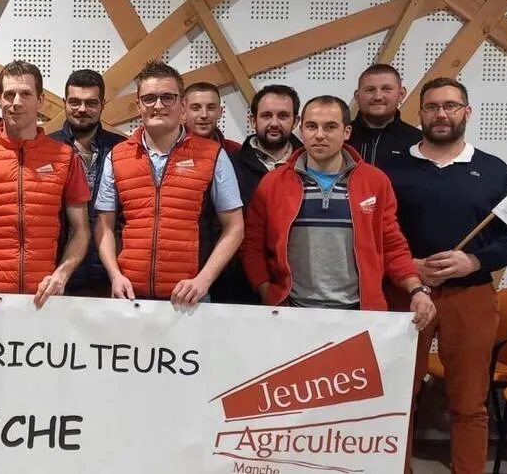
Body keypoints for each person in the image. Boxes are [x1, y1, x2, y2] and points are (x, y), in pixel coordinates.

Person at [382, 78, 507, 474]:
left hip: (471, 297)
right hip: (406, 296)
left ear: (467, 111)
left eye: (450, 106)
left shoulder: (494, 171)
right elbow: (373, 236)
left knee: (469, 402)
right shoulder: (390, 171)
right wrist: (409, 266)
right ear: (420, 113)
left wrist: (474, 262)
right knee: (398, 398)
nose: (441, 114)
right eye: (432, 107)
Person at [240, 94, 435, 325]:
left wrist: (416, 289)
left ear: (347, 132)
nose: (319, 135)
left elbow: (392, 244)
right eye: (311, 126)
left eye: (330, 127)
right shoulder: (273, 183)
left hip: (358, 315)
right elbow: (253, 245)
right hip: (291, 313)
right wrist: (266, 290)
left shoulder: (375, 182)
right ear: (301, 129)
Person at [95, 61, 244, 303]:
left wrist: (204, 280)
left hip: (190, 297)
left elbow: (235, 227)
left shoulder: (213, 155)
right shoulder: (117, 156)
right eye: (149, 98)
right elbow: (104, 226)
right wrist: (114, 275)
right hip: (129, 296)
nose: (158, 105)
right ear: (138, 105)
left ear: (182, 105)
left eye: (167, 97)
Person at [0, 60, 91, 308]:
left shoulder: (66, 158)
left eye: (25, 94)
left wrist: (62, 274)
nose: (16, 102)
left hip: (46, 298)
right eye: (9, 94)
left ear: (40, 100)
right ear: (0, 99)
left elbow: (81, 230)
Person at [218, 84, 304, 305]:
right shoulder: (228, 166)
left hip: (298, 288)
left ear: (296, 121)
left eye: (283, 116)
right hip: (236, 288)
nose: (274, 123)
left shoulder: (311, 167)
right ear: (252, 120)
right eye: (266, 115)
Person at [48, 69, 125, 297]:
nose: (82, 109)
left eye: (91, 103)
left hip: (112, 275)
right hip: (58, 274)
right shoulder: (46, 148)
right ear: (64, 102)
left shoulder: (122, 150)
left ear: (103, 104)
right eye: (75, 102)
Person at [347, 63, 421, 167]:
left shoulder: (419, 142)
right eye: (370, 90)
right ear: (357, 96)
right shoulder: (340, 139)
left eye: (386, 89)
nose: (378, 97)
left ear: (401, 94)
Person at [183, 82, 241, 154]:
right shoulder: (170, 149)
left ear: (220, 112)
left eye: (211, 108)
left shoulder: (236, 151)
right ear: (183, 112)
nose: (204, 115)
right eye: (196, 108)